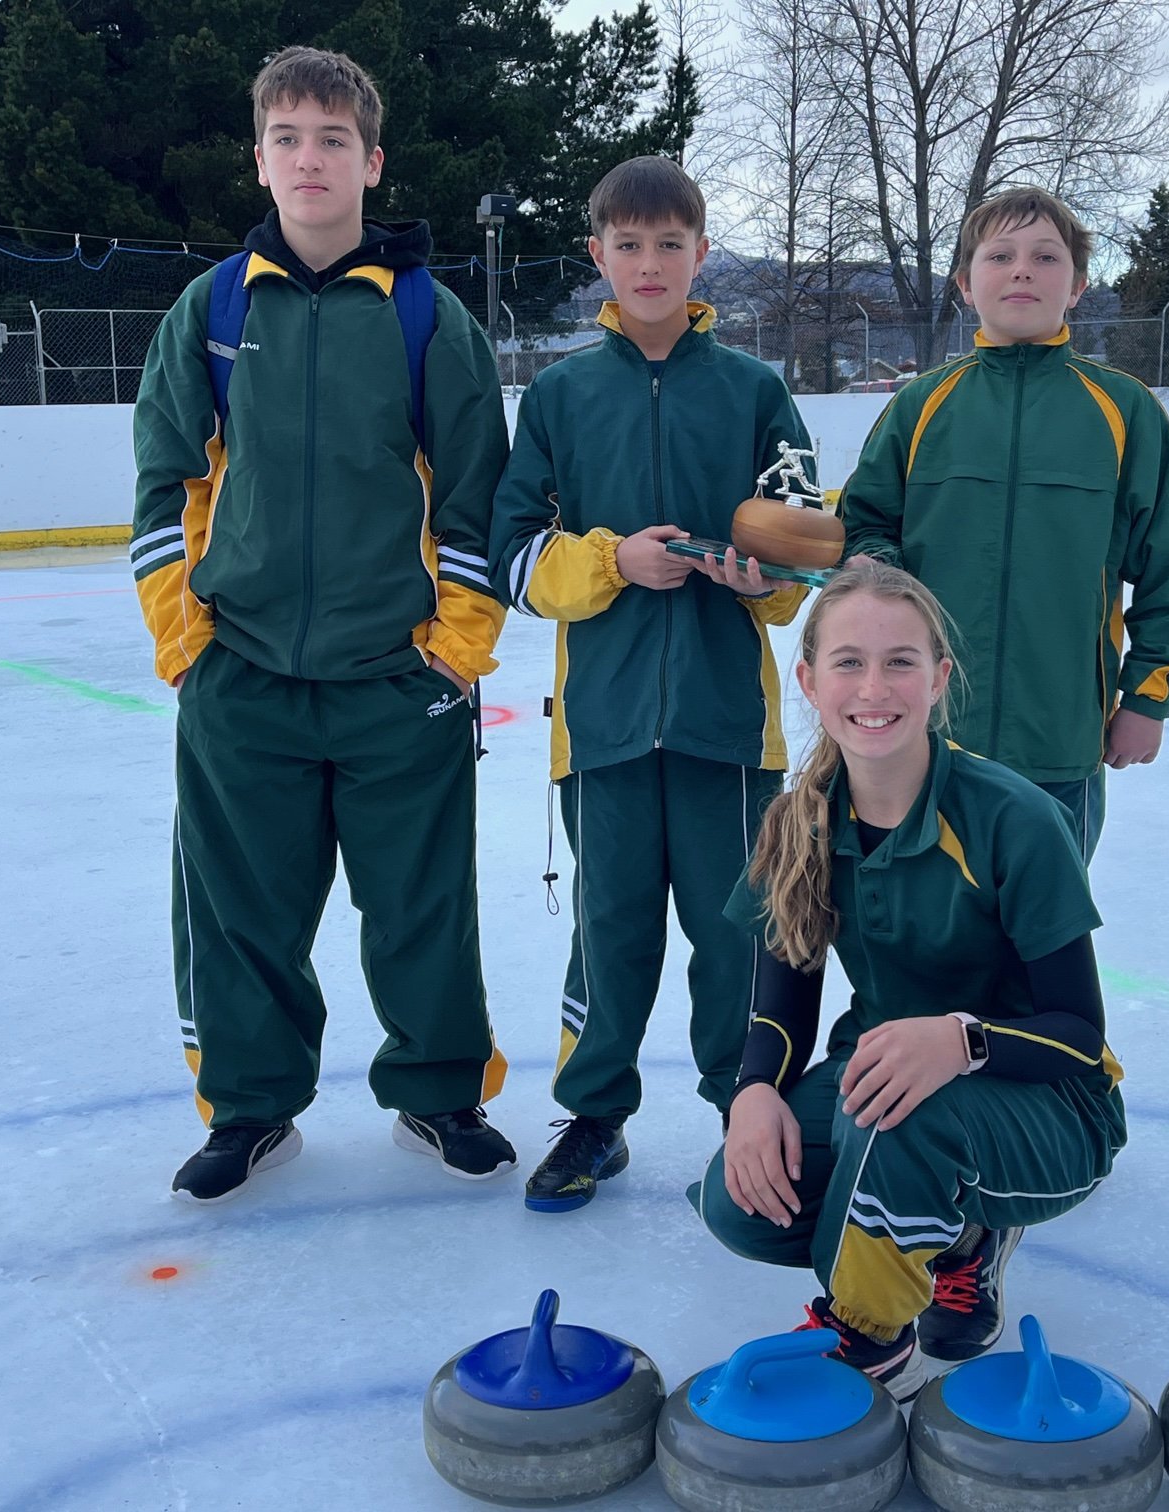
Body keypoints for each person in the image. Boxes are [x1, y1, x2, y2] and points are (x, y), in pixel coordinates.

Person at [131, 46, 515, 1203]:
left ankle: (439, 1094)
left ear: (371, 163)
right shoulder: (212, 310)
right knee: (238, 913)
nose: (311, 159)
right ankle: (250, 1109)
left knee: (420, 907)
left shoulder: (426, 317)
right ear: (260, 159)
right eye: (288, 138)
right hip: (242, 678)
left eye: (333, 140)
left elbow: (476, 498)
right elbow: (165, 487)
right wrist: (187, 644)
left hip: (398, 680)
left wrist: (453, 652)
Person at [691, 560, 1127, 1400]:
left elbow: (1079, 1036)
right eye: (849, 662)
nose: (873, 687)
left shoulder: (1015, 819)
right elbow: (783, 1008)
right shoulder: (799, 822)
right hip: (887, 1081)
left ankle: (870, 1334)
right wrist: (753, 1092)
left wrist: (962, 1041)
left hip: (1046, 1099)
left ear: (939, 679)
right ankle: (948, 1228)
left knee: (899, 1116)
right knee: (740, 1203)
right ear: (809, 682)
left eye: (900, 662)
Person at [490, 156, 816, 1212]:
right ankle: (595, 1116)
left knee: (737, 933)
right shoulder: (560, 394)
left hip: (729, 728)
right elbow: (510, 557)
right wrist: (610, 562)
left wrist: (764, 578)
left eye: (669, 243)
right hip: (605, 725)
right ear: (597, 255)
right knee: (611, 930)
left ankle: (746, 1115)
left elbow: (804, 551)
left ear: (700, 253)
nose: (649, 263)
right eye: (627, 244)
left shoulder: (757, 392)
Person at [841, 185, 1169, 861]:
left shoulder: (1124, 411)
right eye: (1000, 256)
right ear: (965, 283)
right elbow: (863, 523)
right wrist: (875, 564)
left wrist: (1147, 698)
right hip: (923, 734)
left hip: (1060, 741)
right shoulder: (921, 407)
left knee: (1045, 918)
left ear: (1077, 285)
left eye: (1045, 257)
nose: (1022, 271)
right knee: (914, 913)